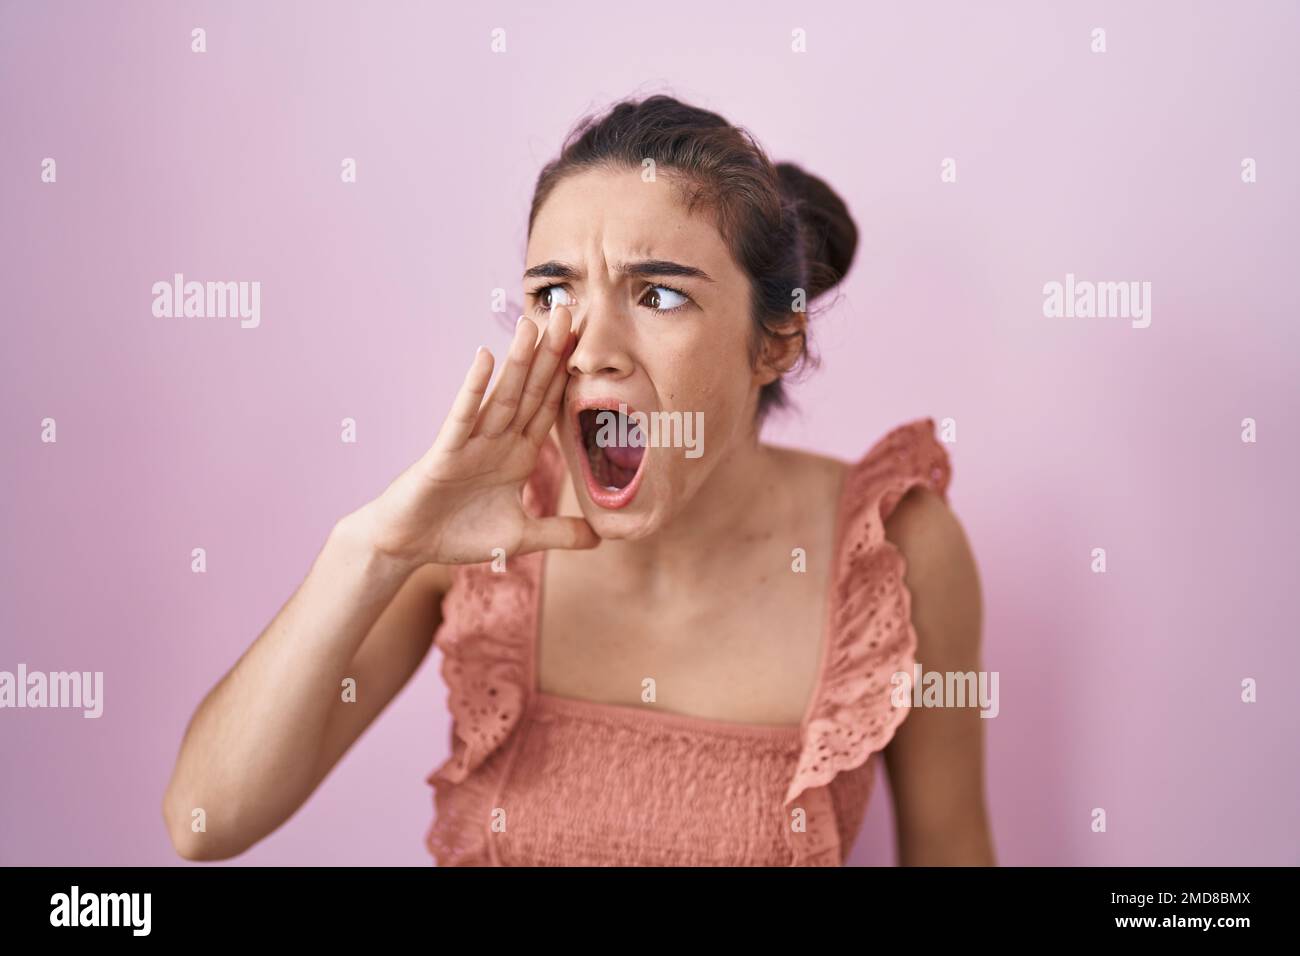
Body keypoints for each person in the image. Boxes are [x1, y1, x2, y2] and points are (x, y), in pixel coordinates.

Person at [163, 94, 995, 866]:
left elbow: (953, 850)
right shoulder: (474, 531)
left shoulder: (896, 552)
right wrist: (371, 549)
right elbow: (205, 821)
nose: (592, 347)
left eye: (660, 295)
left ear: (775, 342)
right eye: (554, 290)